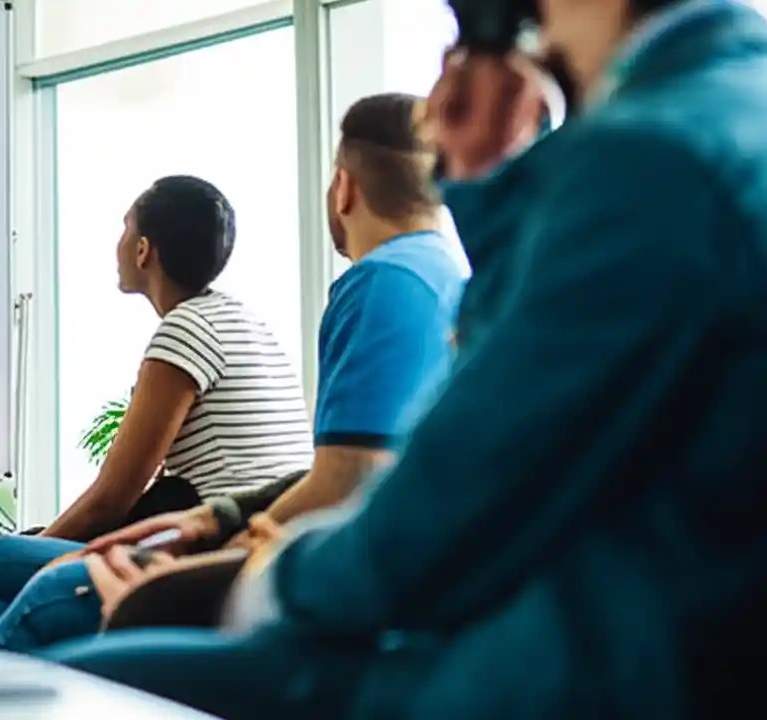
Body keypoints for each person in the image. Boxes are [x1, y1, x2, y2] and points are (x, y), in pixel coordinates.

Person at [41, 1, 767, 718]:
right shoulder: (727, 108)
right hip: (630, 615)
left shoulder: (646, 160)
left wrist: (250, 580)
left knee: (74, 667)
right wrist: (480, 179)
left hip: (598, 655)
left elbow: (454, 498)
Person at [0, 93, 470, 654]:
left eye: (124, 229)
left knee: (11, 562)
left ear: (343, 188)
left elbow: (116, 494)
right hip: (275, 533)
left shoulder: (373, 285)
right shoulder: (427, 278)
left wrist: (237, 534)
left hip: (288, 555)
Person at [0, 175, 315, 646]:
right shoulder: (241, 321)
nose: (119, 242)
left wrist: (42, 544)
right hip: (249, 533)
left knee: (2, 556)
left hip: (216, 544)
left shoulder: (186, 330)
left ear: (144, 250)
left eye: (125, 228)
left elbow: (115, 496)